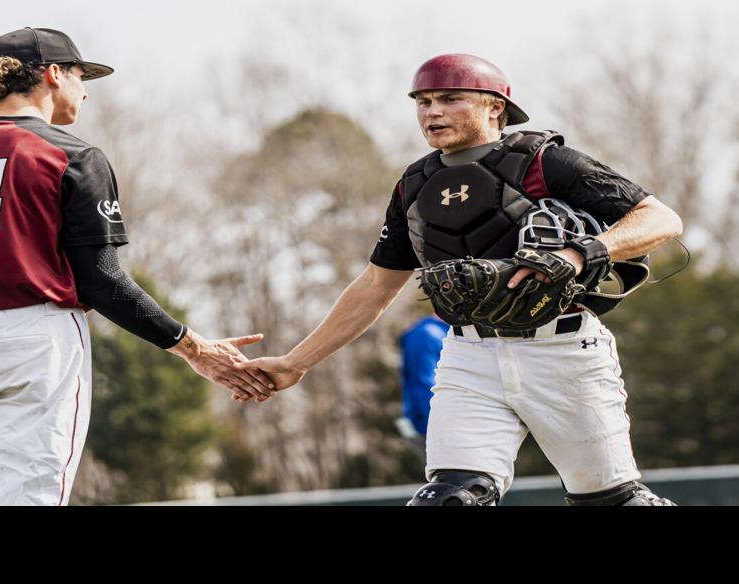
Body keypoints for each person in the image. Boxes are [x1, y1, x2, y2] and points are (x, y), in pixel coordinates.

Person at [237, 53, 684, 507]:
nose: (433, 112)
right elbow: (376, 286)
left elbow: (659, 219)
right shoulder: (415, 184)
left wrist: (579, 253)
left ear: (495, 106)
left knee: (612, 502)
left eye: (451, 99)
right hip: (470, 357)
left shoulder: (545, 162)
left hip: (563, 351)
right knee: (448, 499)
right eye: (423, 101)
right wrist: (296, 362)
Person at [0, 26, 272, 505]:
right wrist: (193, 348)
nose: (85, 92)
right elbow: (102, 280)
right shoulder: (72, 154)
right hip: (32, 338)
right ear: (54, 74)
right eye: (82, 77)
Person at [396, 312, 449, 455]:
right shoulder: (426, 334)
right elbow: (424, 384)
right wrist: (438, 427)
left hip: (444, 424)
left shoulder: (441, 332)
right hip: (431, 426)